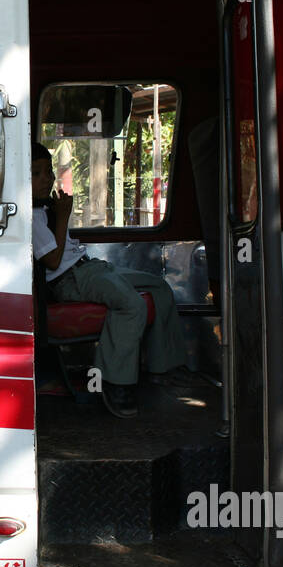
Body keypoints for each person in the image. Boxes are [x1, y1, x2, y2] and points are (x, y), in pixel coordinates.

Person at [32, 141, 188, 418]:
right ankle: (116, 383)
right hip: (70, 279)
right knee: (131, 305)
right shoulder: (29, 216)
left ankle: (163, 369)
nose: (47, 180)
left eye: (48, 172)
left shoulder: (45, 209)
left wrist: (58, 214)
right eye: (36, 174)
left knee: (160, 287)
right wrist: (63, 216)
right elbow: (53, 261)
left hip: (90, 267)